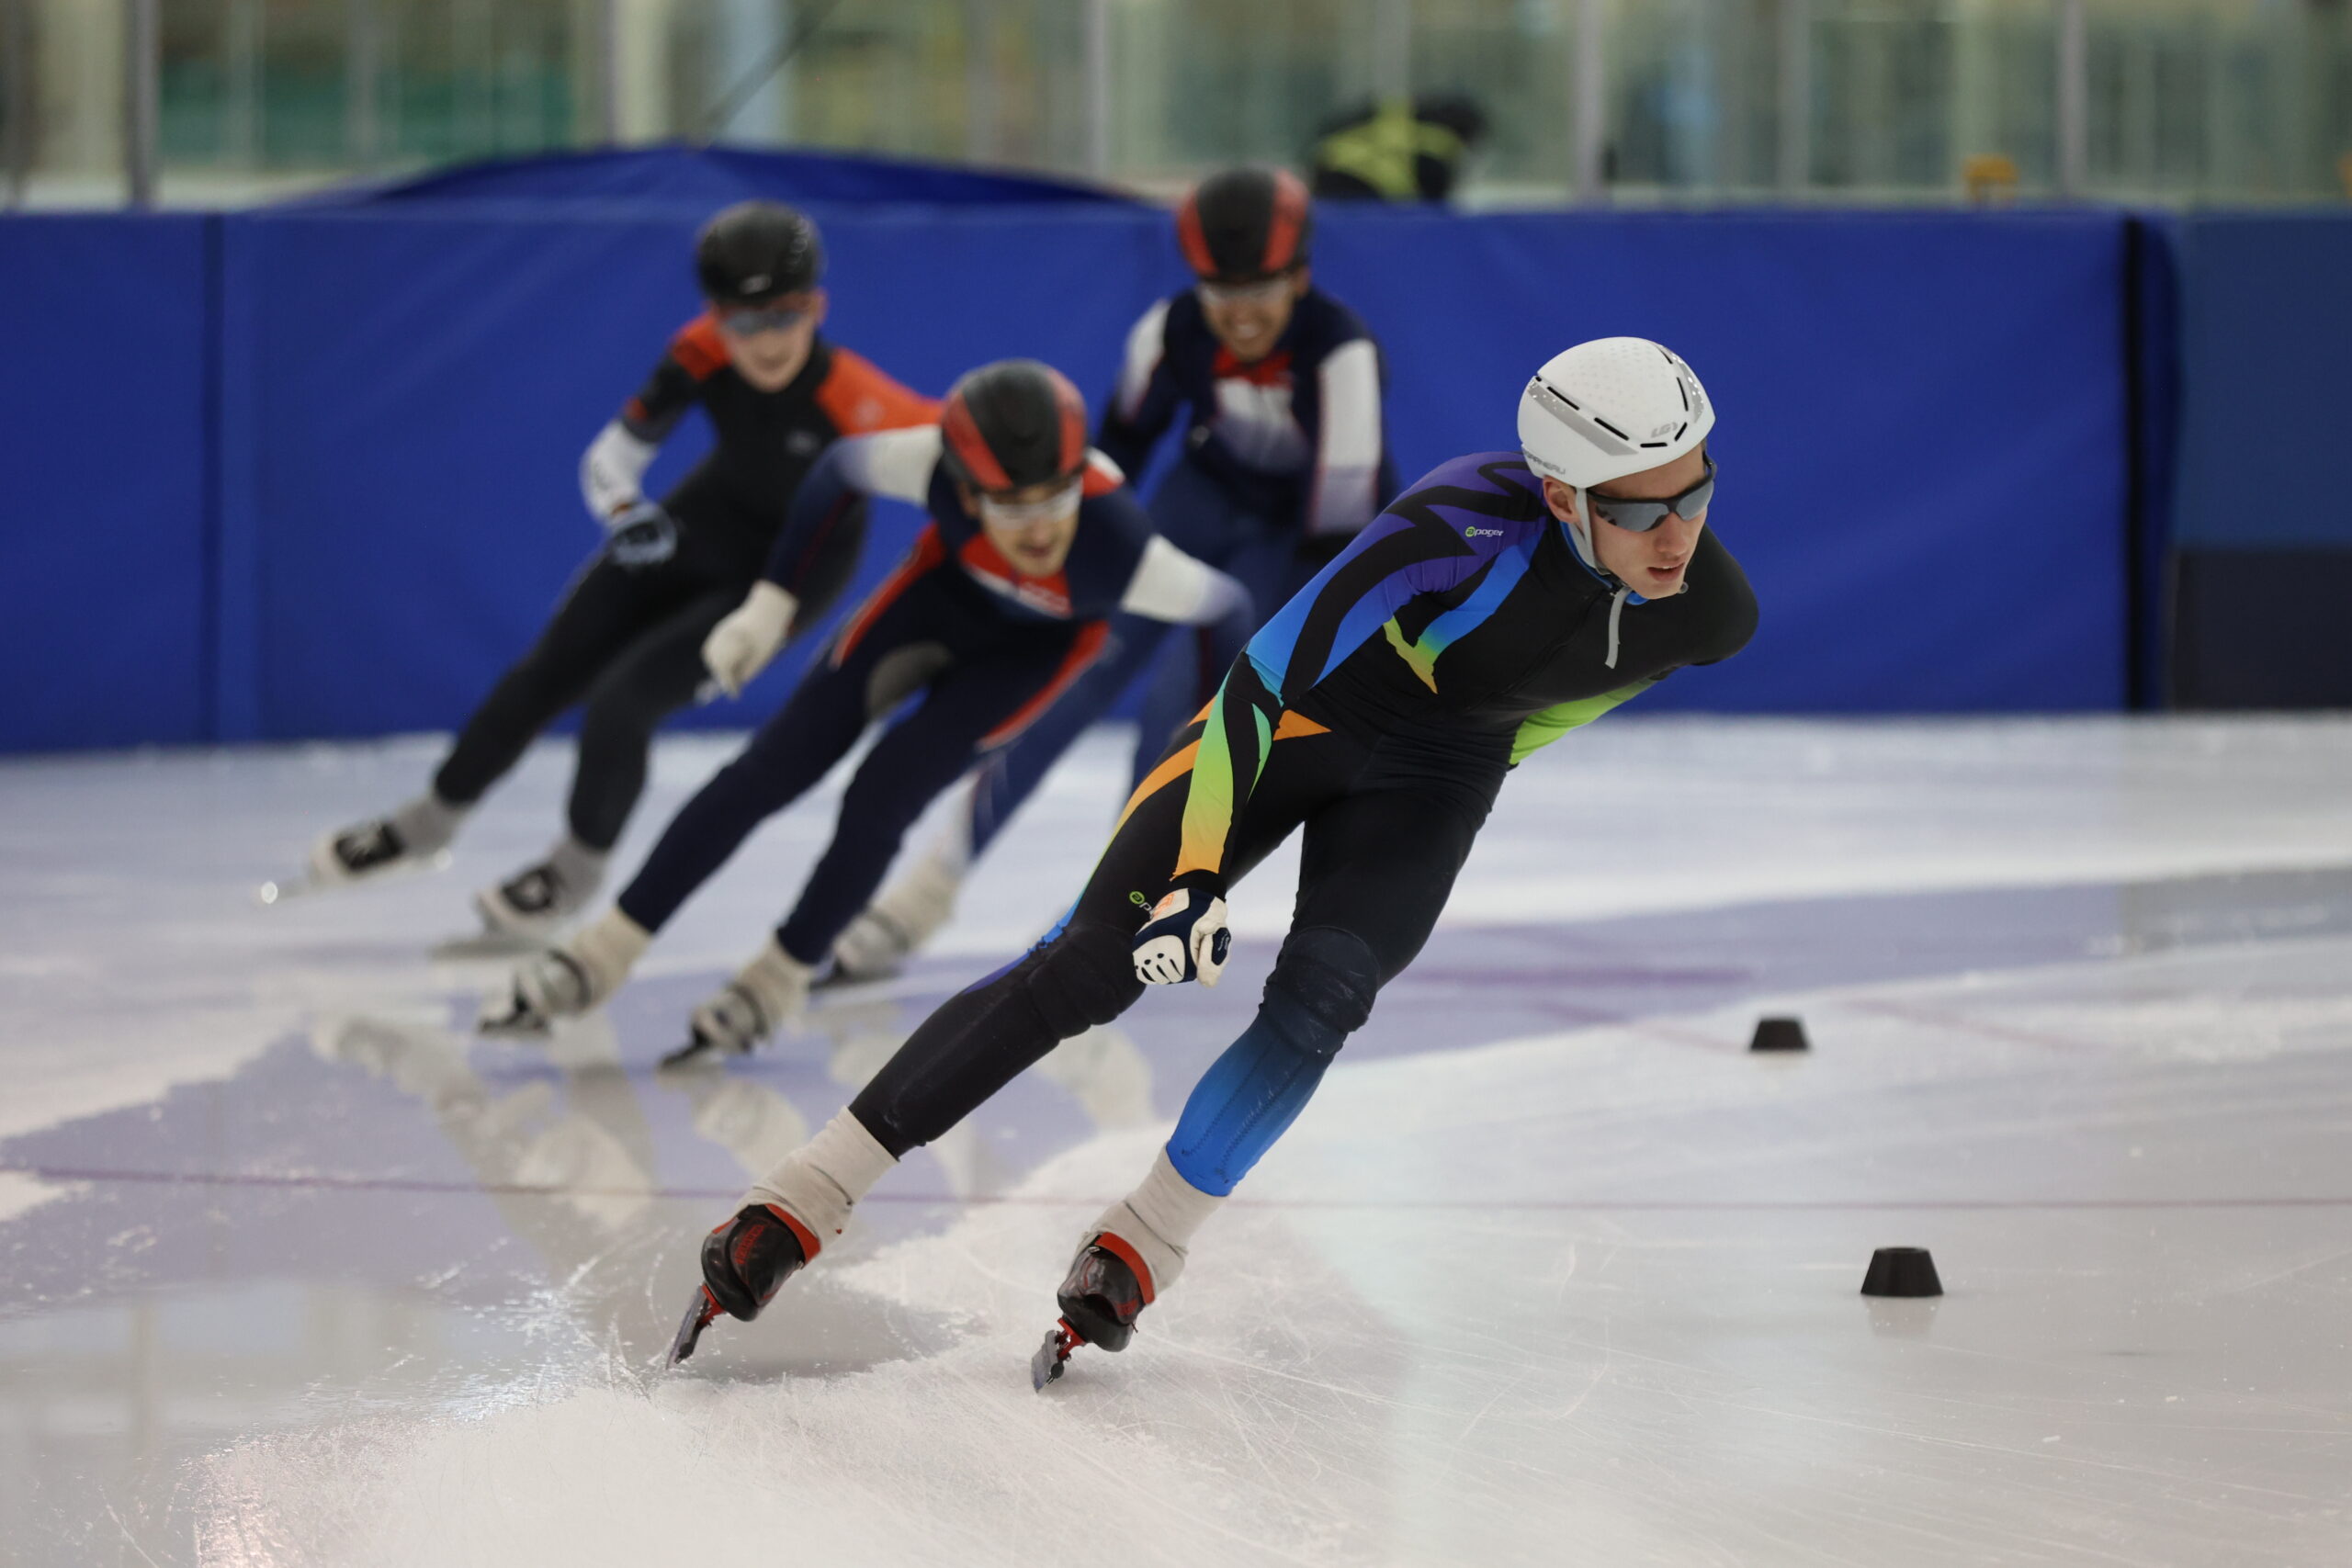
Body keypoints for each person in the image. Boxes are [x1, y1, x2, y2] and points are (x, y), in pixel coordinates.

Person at [662, 336, 1760, 1378]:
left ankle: (1145, 1241)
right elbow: (1263, 676)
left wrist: (1474, 766)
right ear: (1562, 497)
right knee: (1091, 964)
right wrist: (1193, 875)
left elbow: (1558, 706)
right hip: (1299, 722)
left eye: (1695, 491)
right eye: (1640, 508)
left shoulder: (1711, 614)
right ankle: (804, 1196)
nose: (1678, 534)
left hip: (1437, 774)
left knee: (1326, 998)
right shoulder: (1457, 522)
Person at [482, 359, 1253, 1057]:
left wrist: (1212, 736)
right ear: (961, 486)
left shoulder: (1120, 544)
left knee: (884, 793)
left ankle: (778, 976)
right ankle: (604, 948)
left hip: (1031, 656)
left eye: (1056, 496)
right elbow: (836, 472)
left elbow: (1227, 609)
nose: (1042, 528)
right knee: (772, 766)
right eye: (1009, 506)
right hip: (937, 599)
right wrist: (770, 604)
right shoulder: (928, 462)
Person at [298, 201, 935, 940]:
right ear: (714, 318)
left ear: (817, 308)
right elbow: (614, 455)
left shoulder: (855, 397)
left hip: (787, 575)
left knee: (623, 702)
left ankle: (572, 873)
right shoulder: (697, 350)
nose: (764, 341)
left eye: (783, 317)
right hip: (702, 525)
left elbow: (961, 451)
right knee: (544, 671)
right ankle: (425, 824)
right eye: (743, 322)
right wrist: (626, 510)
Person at [828, 165, 1396, 982]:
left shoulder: (1342, 353)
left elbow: (1337, 526)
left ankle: (1118, 909)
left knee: (1180, 711)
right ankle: (919, 899)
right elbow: (1112, 452)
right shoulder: (1169, 329)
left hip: (1295, 534)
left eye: (1262, 290)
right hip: (1200, 496)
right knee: (1070, 680)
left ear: (1300, 277)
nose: (1241, 313)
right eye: (1221, 290)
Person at [1308, 94, 1490, 204]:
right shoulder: (1439, 146)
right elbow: (1434, 208)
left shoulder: (1396, 113)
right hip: (1367, 204)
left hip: (1325, 181)